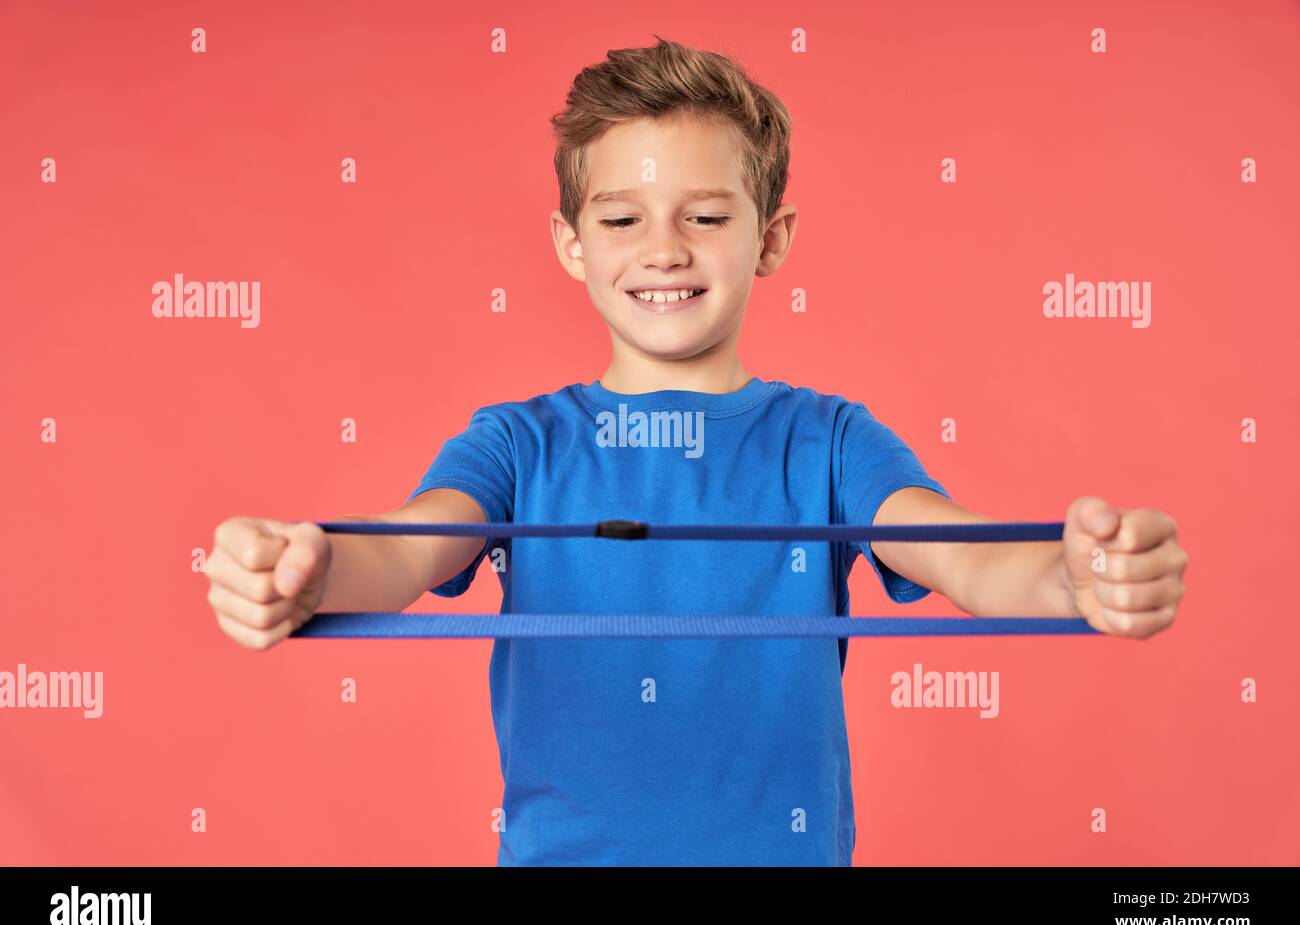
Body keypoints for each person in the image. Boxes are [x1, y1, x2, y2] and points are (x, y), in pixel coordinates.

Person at [204, 36, 1188, 866]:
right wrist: (312, 568)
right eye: (622, 218)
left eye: (707, 216)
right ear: (569, 243)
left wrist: (1072, 576)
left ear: (771, 237)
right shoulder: (515, 441)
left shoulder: (830, 439)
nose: (665, 248)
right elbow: (408, 547)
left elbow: (965, 553)